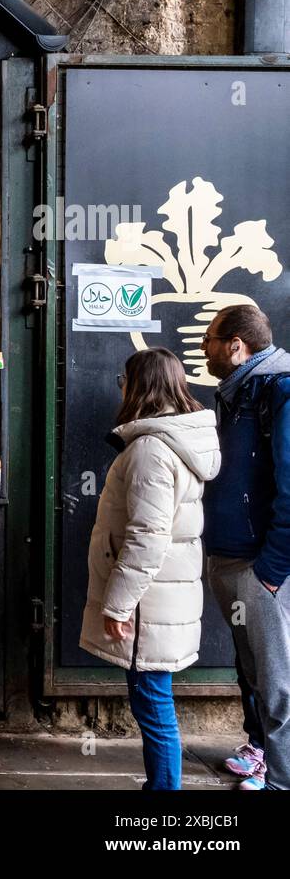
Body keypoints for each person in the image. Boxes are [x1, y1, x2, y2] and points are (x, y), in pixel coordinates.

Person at [79, 348, 220, 790]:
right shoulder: (174, 441)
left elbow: (147, 537)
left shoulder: (151, 450)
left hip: (148, 605)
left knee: (153, 705)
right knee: (153, 701)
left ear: (139, 386)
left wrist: (117, 605)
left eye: (125, 380)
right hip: (161, 598)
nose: (121, 387)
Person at [201, 304, 290, 791]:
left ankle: (281, 779)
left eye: (211, 339)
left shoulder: (279, 390)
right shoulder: (238, 392)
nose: (204, 348)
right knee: (252, 669)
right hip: (232, 553)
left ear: (237, 345)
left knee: (278, 682)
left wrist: (273, 568)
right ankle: (260, 752)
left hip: (262, 563)